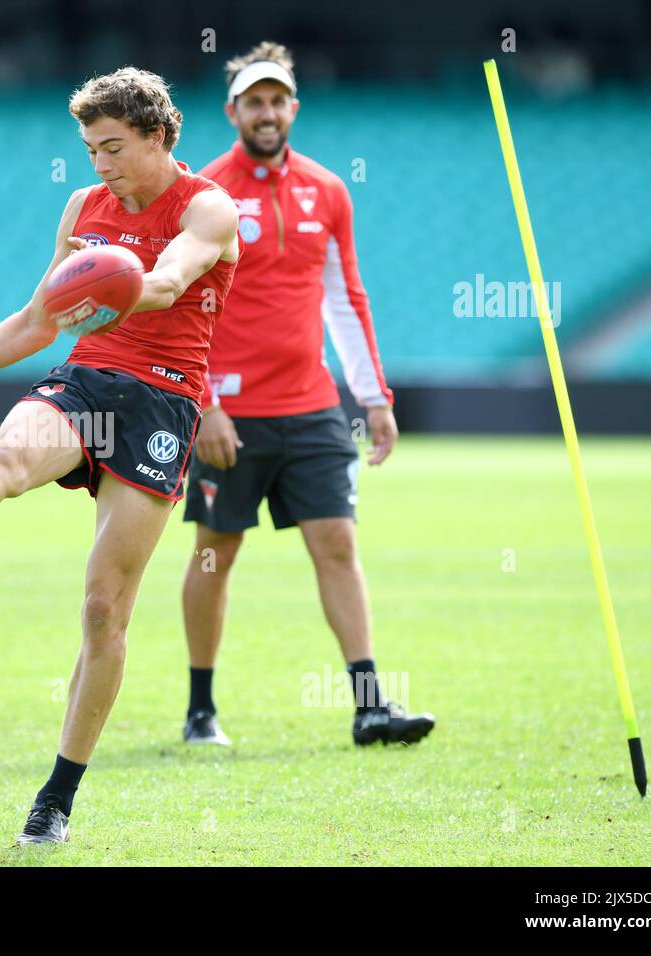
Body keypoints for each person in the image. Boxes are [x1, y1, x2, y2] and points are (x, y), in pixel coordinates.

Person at [0, 68, 240, 844]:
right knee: (3, 464)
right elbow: (40, 321)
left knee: (105, 609)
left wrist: (117, 279)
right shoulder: (84, 208)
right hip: (85, 380)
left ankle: (56, 799)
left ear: (160, 137)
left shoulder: (207, 206)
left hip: (164, 402)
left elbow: (168, 281)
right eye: (90, 149)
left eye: (113, 148)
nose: (99, 165)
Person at [181, 42, 435, 748]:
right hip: (229, 412)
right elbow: (182, 307)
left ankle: (369, 705)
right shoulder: (203, 193)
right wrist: (204, 404)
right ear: (233, 110)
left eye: (277, 100)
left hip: (312, 405)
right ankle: (201, 710)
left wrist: (373, 398)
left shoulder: (328, 190)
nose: (266, 112)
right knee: (215, 552)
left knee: (337, 544)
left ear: (293, 108)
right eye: (253, 101)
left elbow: (345, 297)